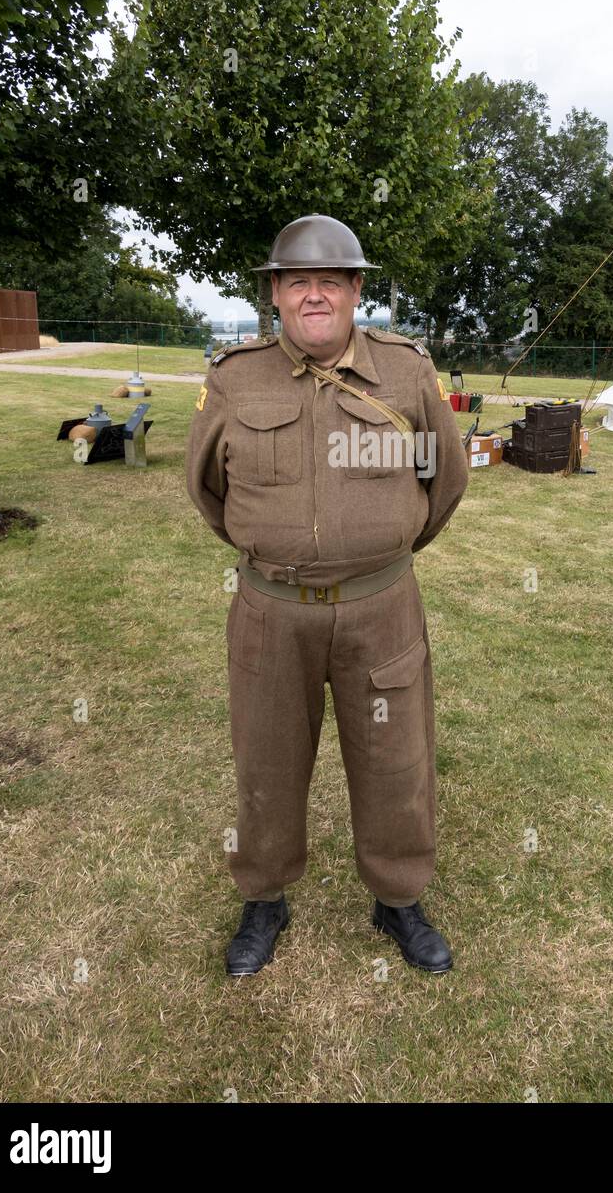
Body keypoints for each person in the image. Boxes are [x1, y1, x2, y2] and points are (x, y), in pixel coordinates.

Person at [185, 213, 469, 976]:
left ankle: (399, 899)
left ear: (356, 292)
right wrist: (271, 551)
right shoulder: (235, 376)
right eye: (298, 282)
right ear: (275, 295)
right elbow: (206, 488)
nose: (315, 295)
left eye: (331, 282)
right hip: (270, 613)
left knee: (396, 760)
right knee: (267, 762)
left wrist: (383, 552)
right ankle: (264, 898)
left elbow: (445, 481)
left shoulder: (407, 373)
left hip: (382, 609)